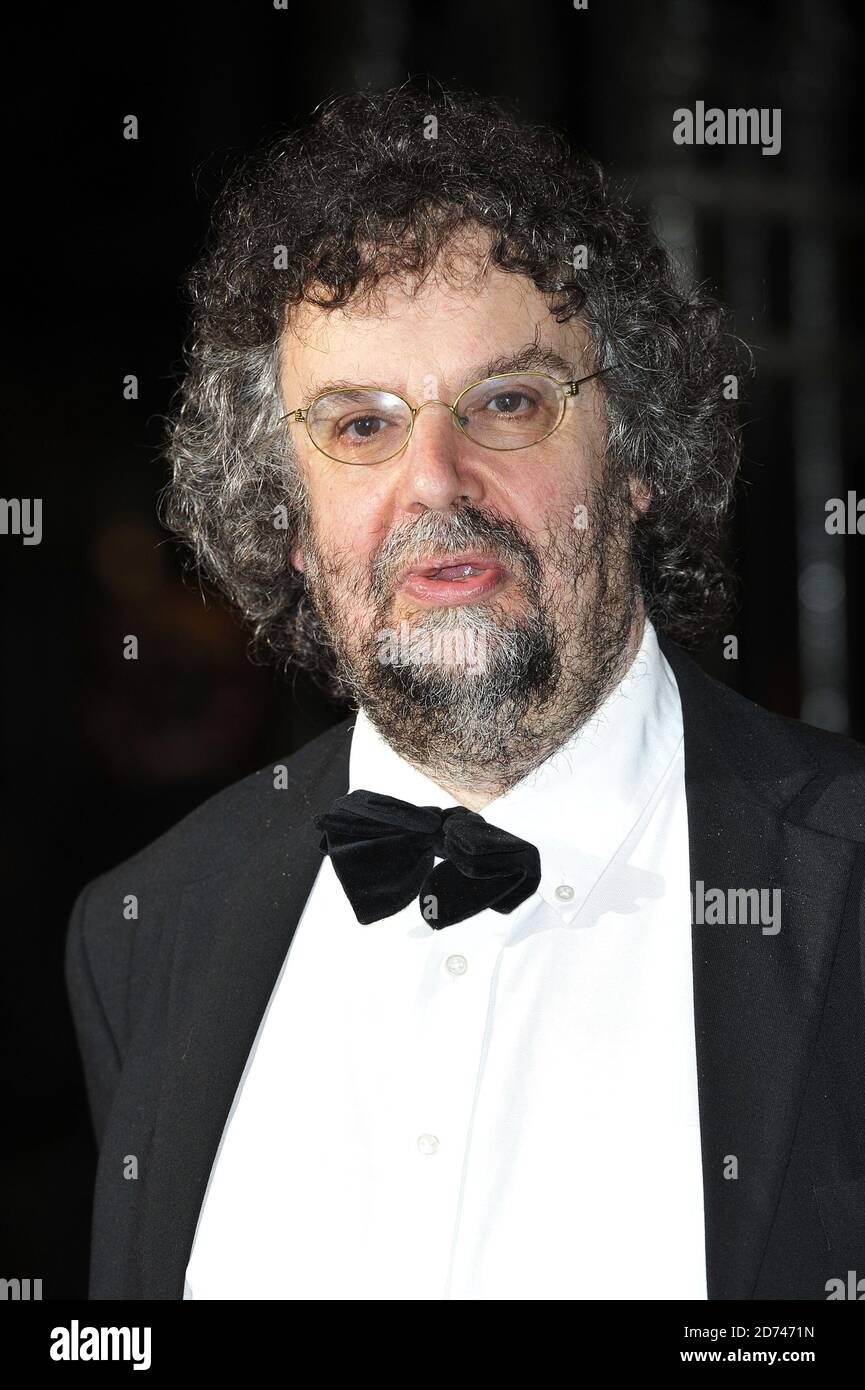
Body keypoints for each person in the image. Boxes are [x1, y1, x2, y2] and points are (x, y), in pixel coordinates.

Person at [65, 82, 865, 1301]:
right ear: (287, 512)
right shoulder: (146, 931)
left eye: (508, 402)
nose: (436, 480)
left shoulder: (845, 884)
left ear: (634, 453)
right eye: (359, 424)